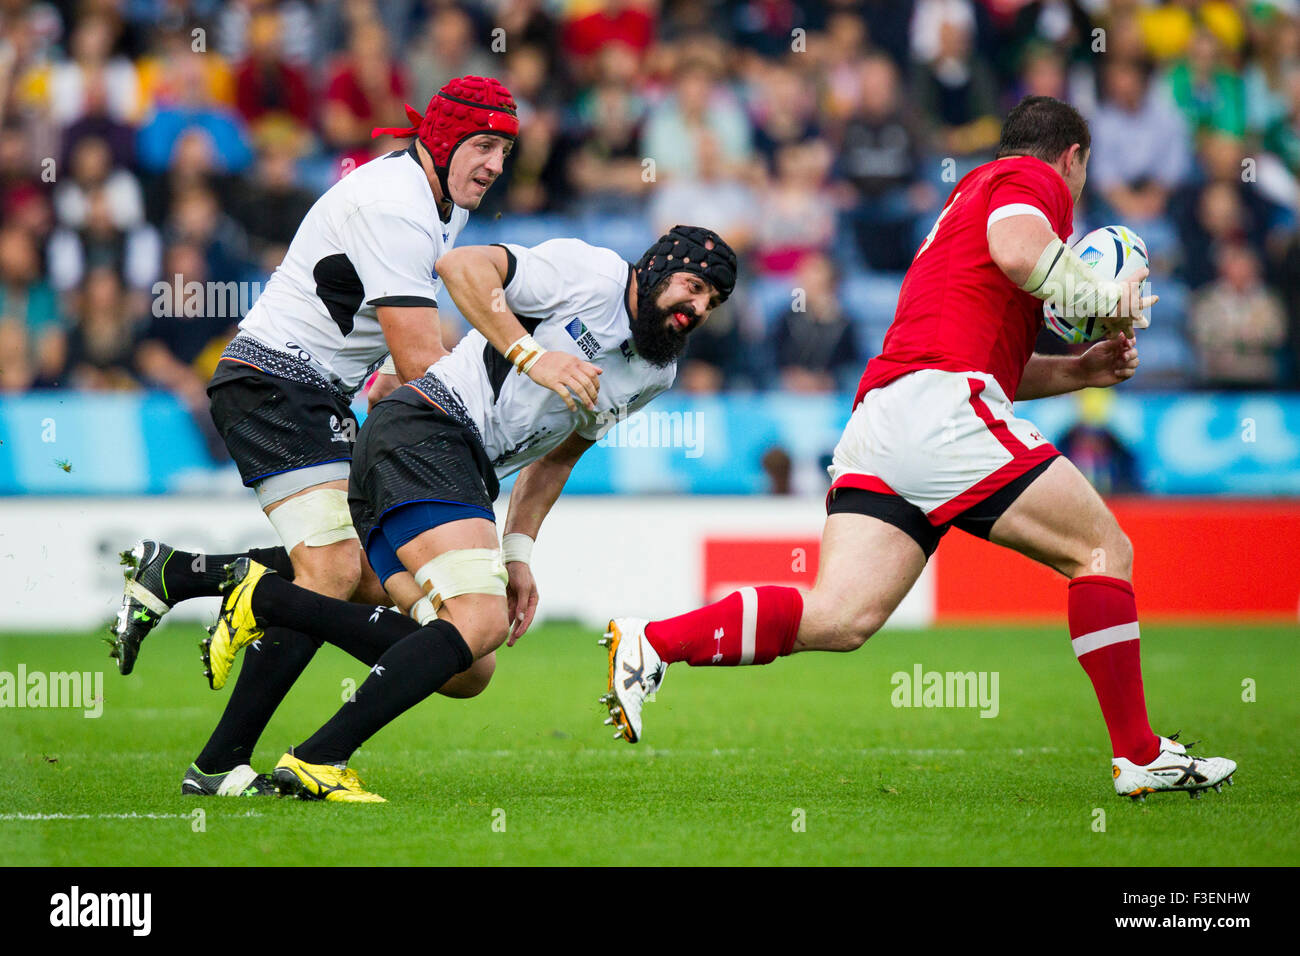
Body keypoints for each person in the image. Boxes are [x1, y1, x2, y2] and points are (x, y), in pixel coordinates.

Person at [599, 96, 1238, 802]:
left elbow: (996, 365)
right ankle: (1140, 754)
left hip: (885, 417)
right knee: (1103, 551)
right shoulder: (1033, 182)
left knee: (840, 618)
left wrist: (1081, 371)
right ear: (1074, 157)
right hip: (940, 411)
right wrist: (1107, 294)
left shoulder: (968, 210)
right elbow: (1024, 254)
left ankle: (652, 640)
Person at [205, 225, 737, 802]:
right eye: (692, 286)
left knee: (465, 670)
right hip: (429, 428)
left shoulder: (656, 373)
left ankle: (264, 596)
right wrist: (534, 357)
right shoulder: (591, 274)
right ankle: (318, 759)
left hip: (446, 467)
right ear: (657, 267)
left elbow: (560, 456)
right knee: (479, 623)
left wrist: (518, 553)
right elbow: (461, 265)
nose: (698, 307)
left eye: (712, 300)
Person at [109, 76, 519, 798]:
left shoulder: (434, 200)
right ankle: (215, 763)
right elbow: (424, 358)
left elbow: (401, 349)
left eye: (505, 150)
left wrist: (398, 382)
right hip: (275, 383)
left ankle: (187, 576)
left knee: (360, 583)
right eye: (482, 145)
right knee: (331, 574)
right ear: (443, 139)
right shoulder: (400, 206)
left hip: (314, 391)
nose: (494, 163)